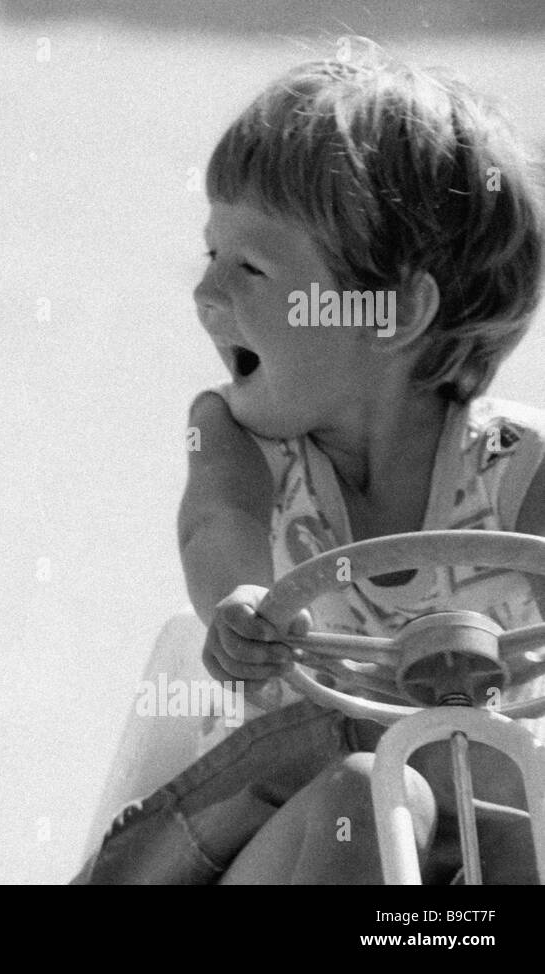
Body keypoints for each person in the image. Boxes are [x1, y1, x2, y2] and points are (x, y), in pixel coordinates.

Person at [81, 41, 545, 884]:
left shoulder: (519, 469)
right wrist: (240, 601)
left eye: (250, 267)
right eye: (212, 255)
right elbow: (217, 522)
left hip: (477, 839)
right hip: (283, 831)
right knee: (371, 791)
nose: (206, 294)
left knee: (512, 822)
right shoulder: (240, 441)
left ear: (391, 311)